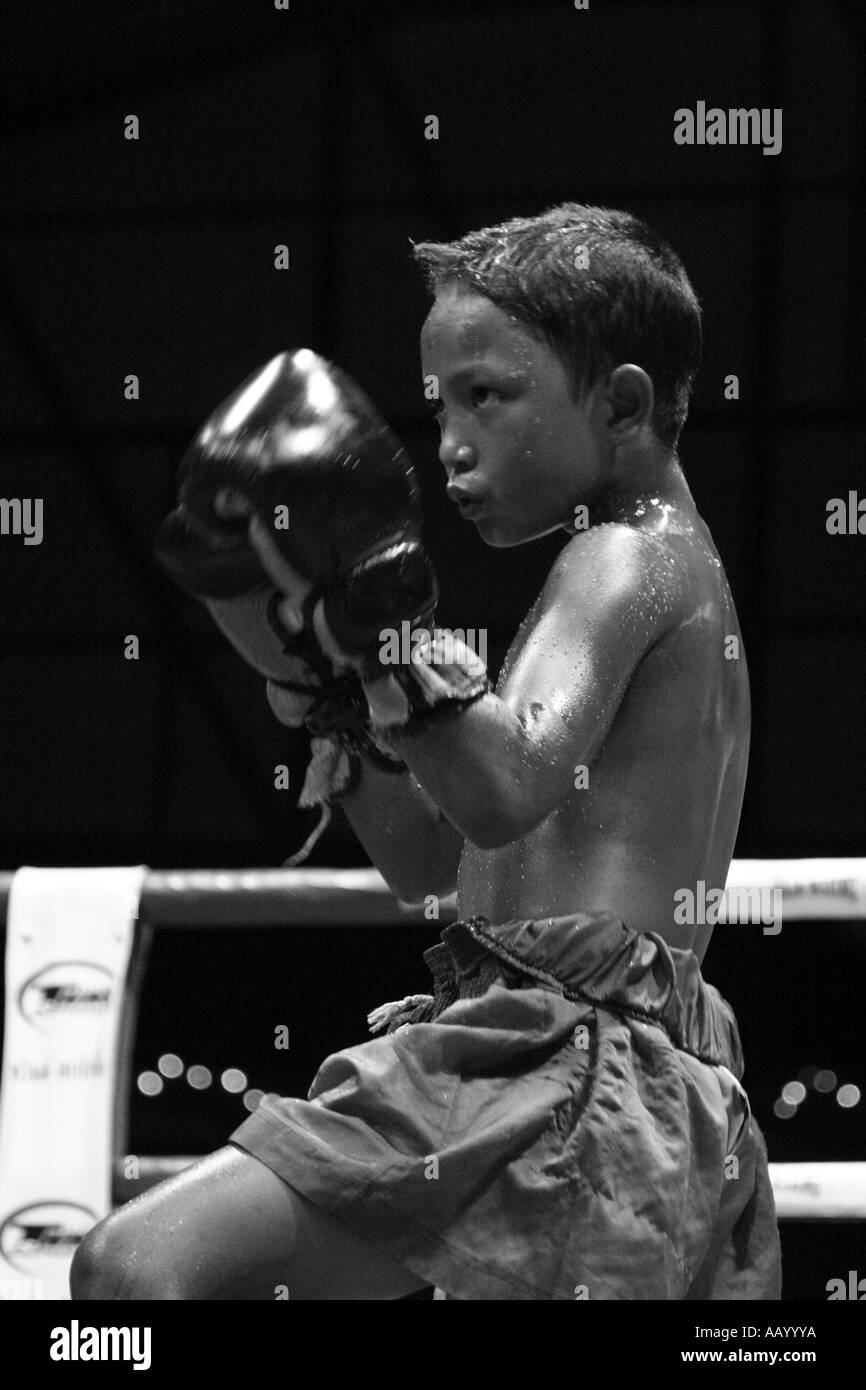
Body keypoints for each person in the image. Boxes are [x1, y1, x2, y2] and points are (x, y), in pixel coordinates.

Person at [70, 203, 781, 1301]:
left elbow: (501, 784)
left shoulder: (620, 557)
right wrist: (324, 682)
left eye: (487, 396)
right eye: (438, 402)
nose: (449, 440)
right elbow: (438, 866)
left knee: (135, 1267)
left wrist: (379, 626)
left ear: (623, 401)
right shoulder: (665, 568)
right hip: (623, 1094)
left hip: (566, 1072)